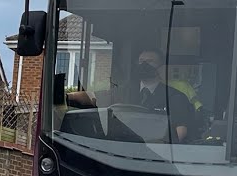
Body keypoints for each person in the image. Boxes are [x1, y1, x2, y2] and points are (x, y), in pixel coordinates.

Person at [67, 48, 196, 142]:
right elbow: (92, 97)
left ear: (161, 67)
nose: (144, 65)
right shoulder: (124, 92)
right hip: (120, 152)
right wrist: (63, 97)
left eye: (150, 61)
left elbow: (180, 132)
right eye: (141, 61)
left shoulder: (175, 97)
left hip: (158, 157)